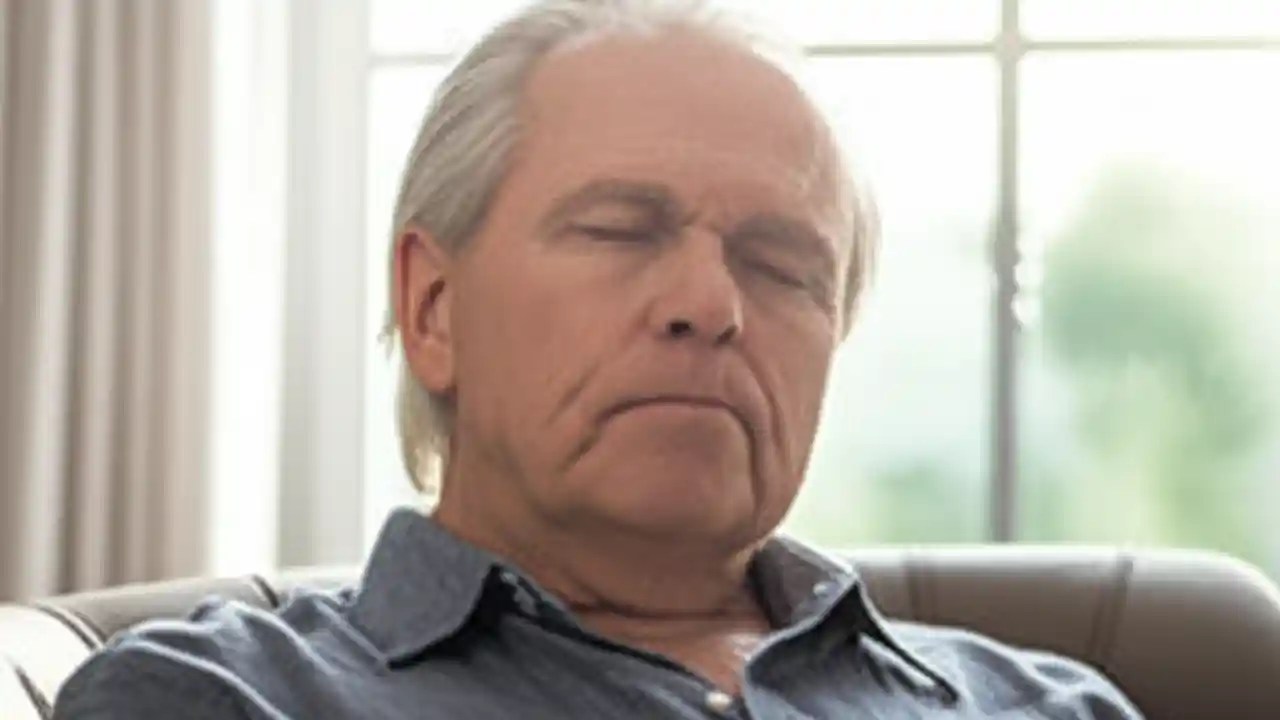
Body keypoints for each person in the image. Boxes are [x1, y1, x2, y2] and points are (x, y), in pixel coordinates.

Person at [54, 1, 1144, 717]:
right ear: (432, 308)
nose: (709, 305)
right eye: (620, 230)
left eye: (778, 264)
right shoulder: (223, 701)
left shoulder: (1050, 707)